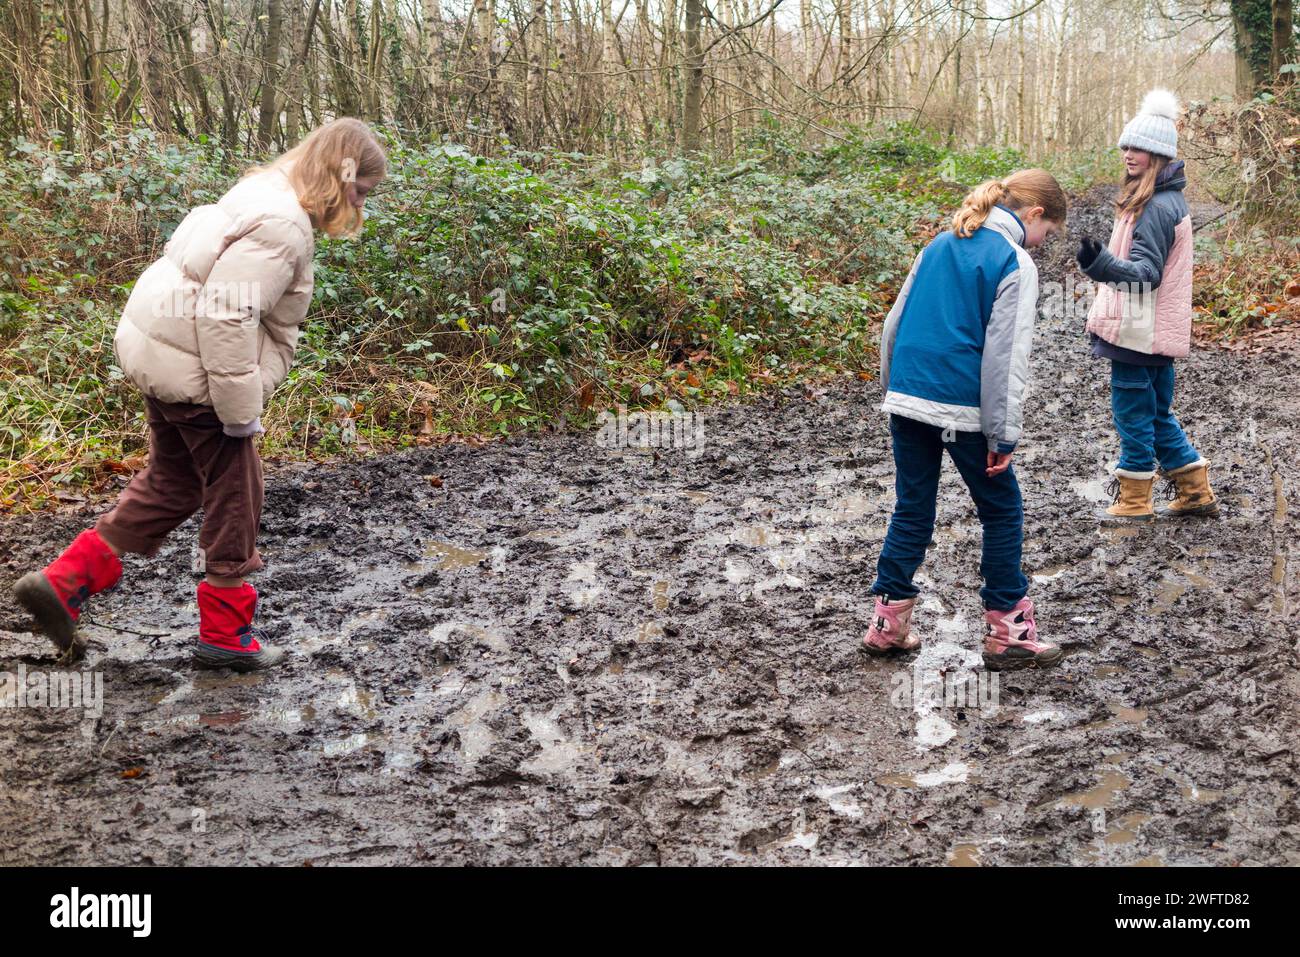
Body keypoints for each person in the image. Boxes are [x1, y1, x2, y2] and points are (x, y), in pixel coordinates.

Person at [13, 119, 387, 672]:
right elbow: (228, 312)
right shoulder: (283, 224)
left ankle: (64, 582)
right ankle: (225, 633)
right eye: (362, 193)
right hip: (200, 374)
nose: (360, 208)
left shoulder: (262, 192)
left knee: (174, 478)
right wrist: (240, 414)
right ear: (343, 175)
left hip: (165, 353)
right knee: (238, 492)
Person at [864, 169, 1067, 671]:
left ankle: (887, 627)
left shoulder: (939, 243)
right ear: (1034, 214)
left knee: (912, 508)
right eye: (1048, 232)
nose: (1043, 244)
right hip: (963, 409)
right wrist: (1004, 434)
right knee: (1001, 510)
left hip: (908, 398)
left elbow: (894, 323)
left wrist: (895, 392)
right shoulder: (1013, 260)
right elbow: (1005, 359)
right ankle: (1009, 632)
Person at [1078, 88, 1218, 522]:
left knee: (1133, 417)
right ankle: (1195, 492)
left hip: (1139, 334)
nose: (1128, 153)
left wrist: (1101, 264)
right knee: (1156, 414)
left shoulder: (1157, 206)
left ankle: (1134, 500)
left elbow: (1145, 275)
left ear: (1158, 154)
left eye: (1138, 147)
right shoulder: (1160, 198)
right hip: (1151, 333)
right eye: (1125, 145)